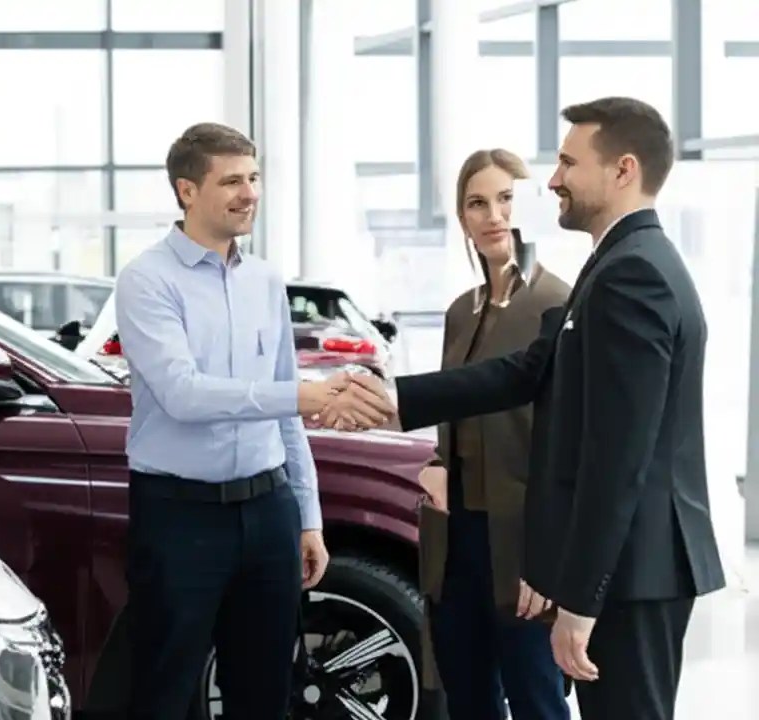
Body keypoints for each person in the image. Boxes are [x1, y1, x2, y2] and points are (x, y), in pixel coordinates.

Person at [338, 97, 726, 720]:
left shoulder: (634, 276)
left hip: (631, 575)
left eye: (569, 163)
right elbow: (525, 372)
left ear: (623, 170)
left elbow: (617, 458)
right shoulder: (617, 266)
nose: (551, 181)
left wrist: (580, 602)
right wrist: (395, 401)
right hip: (627, 570)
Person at [113, 121, 394, 720]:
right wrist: (304, 396)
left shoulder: (265, 279)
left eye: (255, 177)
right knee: (163, 690)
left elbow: (286, 418)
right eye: (233, 181)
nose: (250, 193)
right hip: (179, 515)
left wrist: (308, 518)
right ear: (187, 191)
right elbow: (183, 394)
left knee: (266, 692)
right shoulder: (146, 279)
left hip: (268, 513)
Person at [417, 148, 573, 720]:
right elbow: (454, 414)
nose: (492, 215)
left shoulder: (558, 302)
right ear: (462, 219)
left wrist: (552, 560)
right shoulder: (462, 311)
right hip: (457, 543)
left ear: (530, 204)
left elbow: (572, 445)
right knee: (468, 698)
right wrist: (437, 461)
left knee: (537, 698)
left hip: (522, 544)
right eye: (476, 203)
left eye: (505, 198)